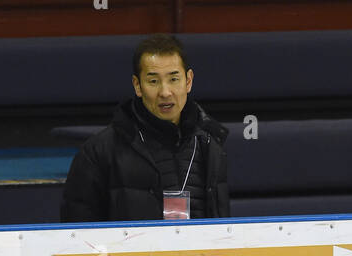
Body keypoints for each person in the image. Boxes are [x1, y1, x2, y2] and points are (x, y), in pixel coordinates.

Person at [60, 33, 229, 223]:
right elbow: (76, 234)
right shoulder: (99, 152)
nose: (165, 92)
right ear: (137, 85)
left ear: (188, 81)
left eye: (174, 79)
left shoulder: (210, 144)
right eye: (153, 81)